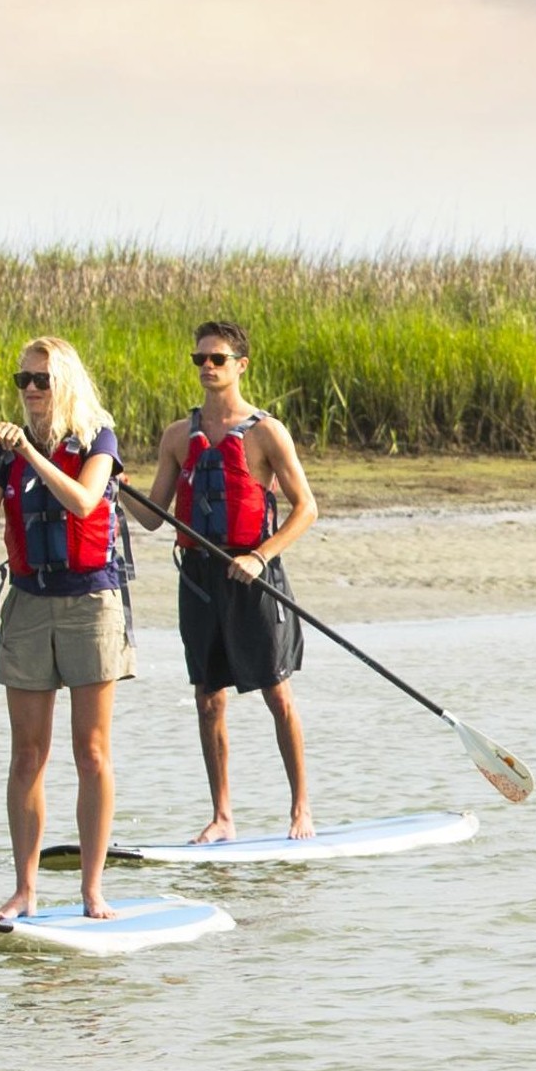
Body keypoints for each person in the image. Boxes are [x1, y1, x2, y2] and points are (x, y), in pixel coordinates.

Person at [0, 333, 127, 921]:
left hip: (90, 604)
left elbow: (83, 502)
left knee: (91, 752)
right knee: (27, 755)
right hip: (27, 603)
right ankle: (25, 888)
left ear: (63, 383)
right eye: (23, 380)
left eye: (41, 380)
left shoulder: (98, 436)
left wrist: (30, 453)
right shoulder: (4, 453)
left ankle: (92, 890)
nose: (30, 390)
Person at [150, 319, 323, 843]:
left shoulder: (267, 432)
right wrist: (117, 489)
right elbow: (153, 517)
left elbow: (306, 509)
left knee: (277, 694)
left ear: (240, 366)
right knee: (209, 698)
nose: (207, 367)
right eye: (199, 359)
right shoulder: (178, 437)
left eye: (217, 359)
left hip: (252, 575)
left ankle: (301, 810)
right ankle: (223, 816)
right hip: (200, 581)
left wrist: (261, 557)